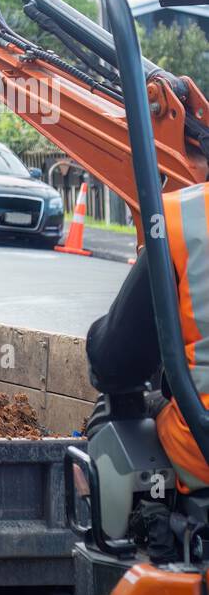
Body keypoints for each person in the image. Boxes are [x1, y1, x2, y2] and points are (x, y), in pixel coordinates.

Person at [86, 184, 209, 492]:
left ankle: (141, 534)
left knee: (118, 412)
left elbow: (113, 360)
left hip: (200, 453)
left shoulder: (184, 217)